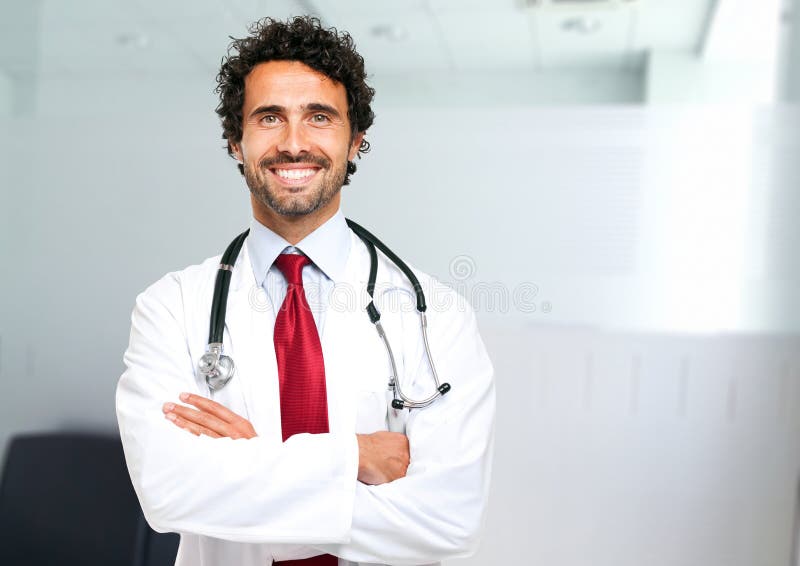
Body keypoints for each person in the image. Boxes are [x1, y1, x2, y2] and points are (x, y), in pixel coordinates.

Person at [116, 15, 495, 566]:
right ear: (235, 142)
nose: (294, 143)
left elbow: (449, 521)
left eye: (319, 117)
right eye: (269, 117)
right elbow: (168, 491)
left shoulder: (435, 314)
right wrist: (354, 458)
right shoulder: (169, 308)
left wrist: (253, 466)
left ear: (355, 141)